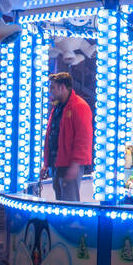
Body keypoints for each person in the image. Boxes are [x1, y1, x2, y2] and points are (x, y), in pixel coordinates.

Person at [42, 72, 93, 202]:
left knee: (70, 202)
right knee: (60, 201)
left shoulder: (79, 106)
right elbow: (52, 135)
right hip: (57, 163)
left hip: (69, 163)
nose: (50, 91)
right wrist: (46, 164)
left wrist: (75, 164)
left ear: (62, 87)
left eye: (52, 87)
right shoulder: (58, 107)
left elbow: (83, 138)